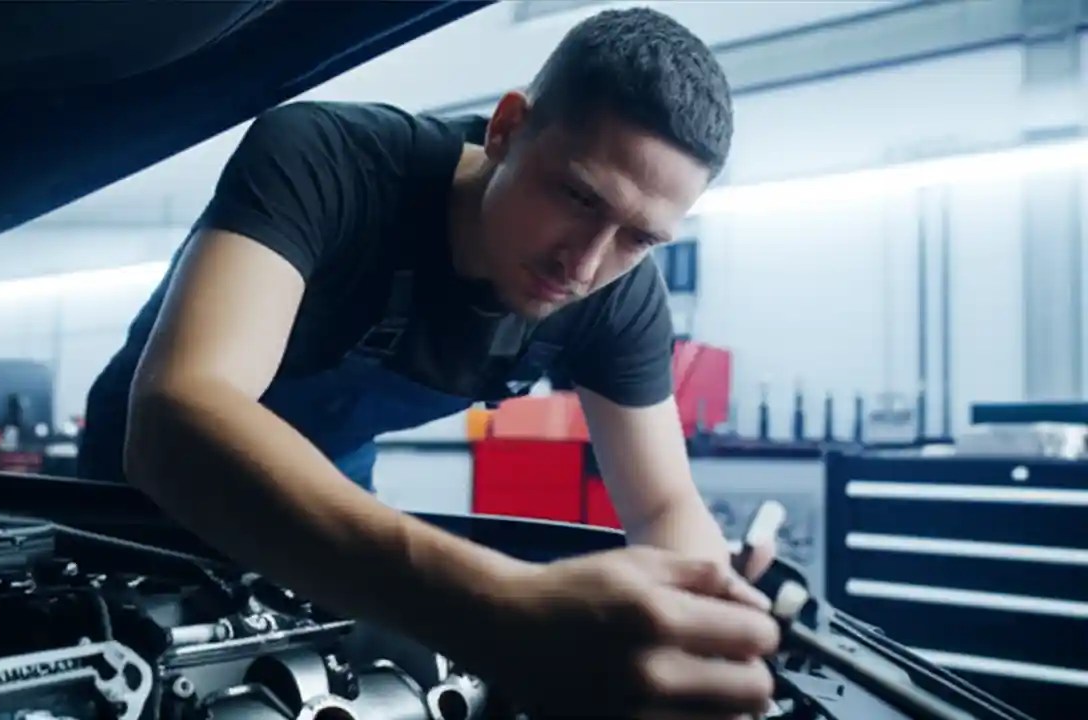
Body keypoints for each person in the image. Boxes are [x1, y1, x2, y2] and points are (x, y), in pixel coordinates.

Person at [79, 8, 781, 717]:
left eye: (639, 237)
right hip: (130, 505)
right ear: (507, 128)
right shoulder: (327, 161)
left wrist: (709, 633)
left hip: (332, 489)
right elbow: (178, 411)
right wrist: (493, 603)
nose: (587, 263)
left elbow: (663, 503)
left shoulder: (617, 294)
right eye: (577, 196)